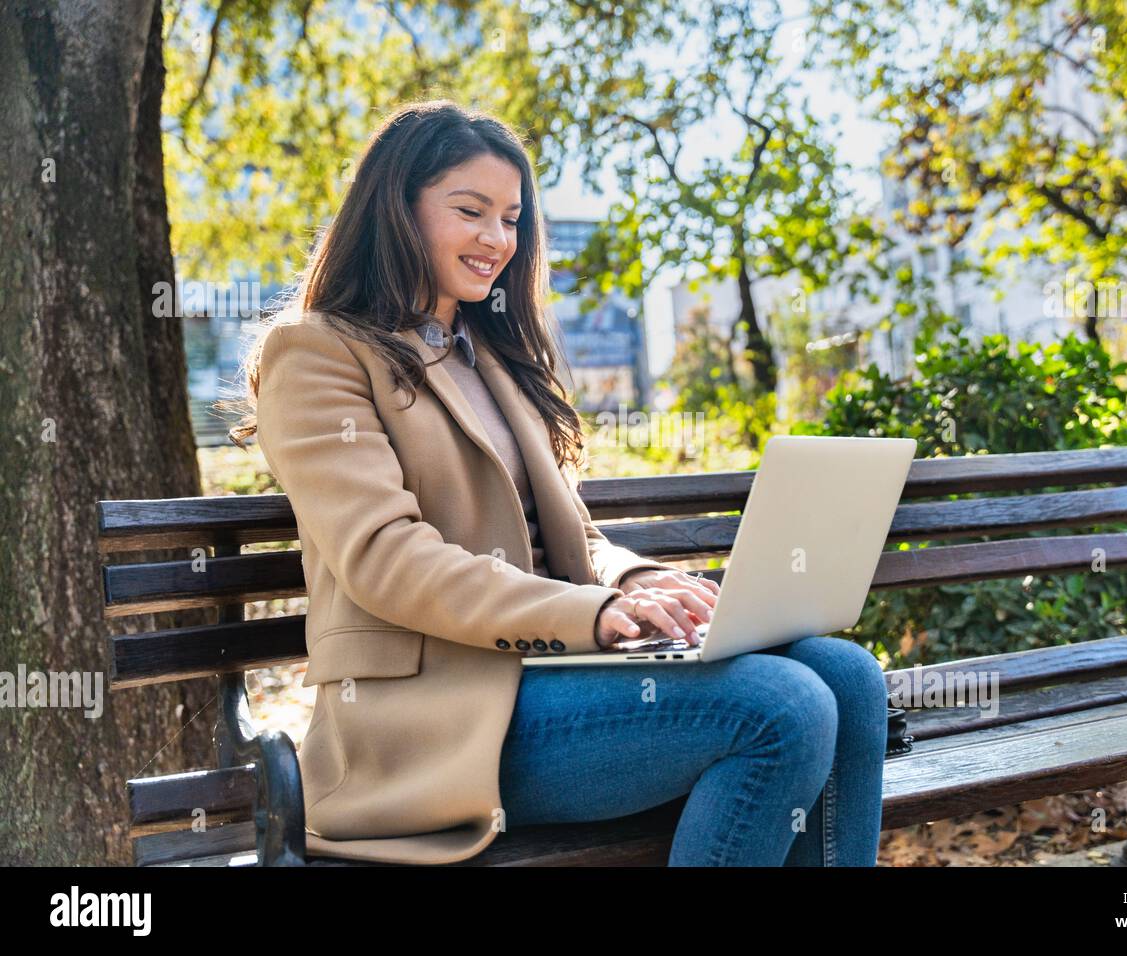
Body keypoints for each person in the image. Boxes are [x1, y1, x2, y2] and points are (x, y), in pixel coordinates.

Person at [233, 99, 888, 866]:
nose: (496, 240)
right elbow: (385, 559)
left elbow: (573, 538)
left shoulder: (493, 356)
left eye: (511, 219)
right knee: (782, 707)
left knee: (847, 675)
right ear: (396, 209)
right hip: (439, 721)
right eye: (470, 211)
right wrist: (594, 612)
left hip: (560, 682)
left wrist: (643, 585)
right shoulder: (317, 353)